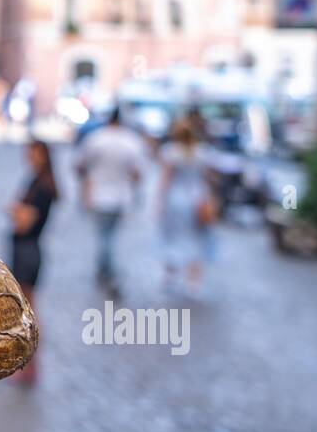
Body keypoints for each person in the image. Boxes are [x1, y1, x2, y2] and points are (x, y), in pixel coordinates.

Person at [73, 107, 148, 298]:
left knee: (104, 236)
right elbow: (138, 174)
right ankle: (106, 270)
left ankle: (108, 271)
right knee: (109, 235)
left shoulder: (97, 139)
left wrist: (87, 182)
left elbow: (80, 165)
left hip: (99, 195)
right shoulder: (131, 141)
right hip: (121, 196)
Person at [10, 139, 58, 384]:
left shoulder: (41, 187)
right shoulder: (37, 181)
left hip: (28, 251)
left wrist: (16, 210)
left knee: (28, 312)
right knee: (27, 309)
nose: (29, 156)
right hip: (26, 250)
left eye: (33, 152)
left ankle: (30, 365)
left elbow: (24, 221)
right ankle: (28, 366)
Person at [158, 118, 218, 296]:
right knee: (197, 240)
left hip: (176, 201)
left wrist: (159, 203)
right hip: (198, 198)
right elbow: (208, 178)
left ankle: (171, 277)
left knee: (173, 238)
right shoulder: (202, 152)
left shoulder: (170, 152)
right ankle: (194, 282)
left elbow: (165, 180)